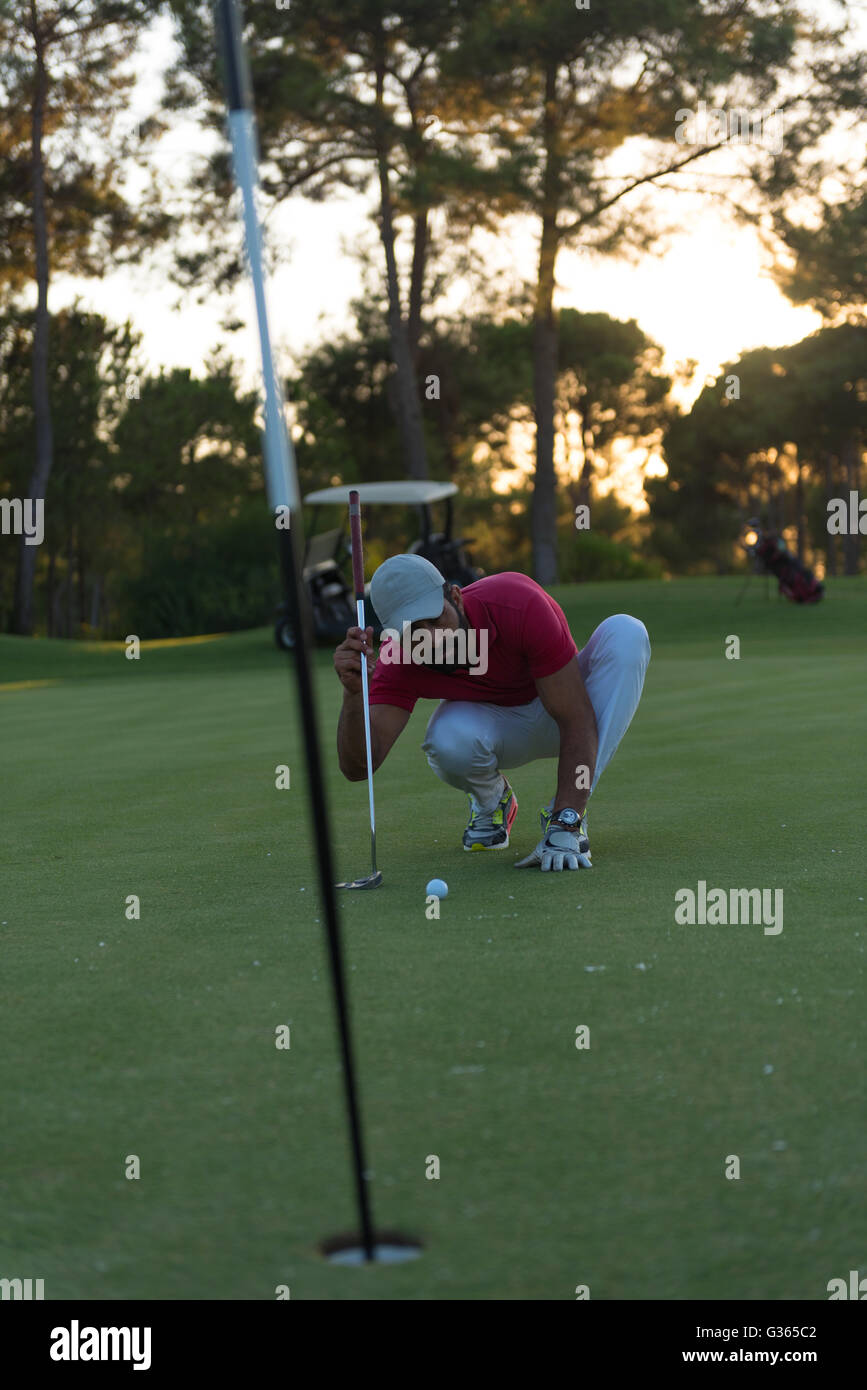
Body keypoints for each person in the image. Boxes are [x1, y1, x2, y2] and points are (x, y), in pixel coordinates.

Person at [334, 555, 650, 872]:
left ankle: (565, 818)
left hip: (568, 708)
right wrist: (353, 695)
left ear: (455, 597)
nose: (432, 638)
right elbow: (360, 766)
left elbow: (576, 717)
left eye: (436, 619)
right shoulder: (398, 660)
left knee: (626, 633)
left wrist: (566, 817)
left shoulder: (514, 600)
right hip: (503, 731)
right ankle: (492, 801)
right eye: (414, 631)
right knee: (447, 737)